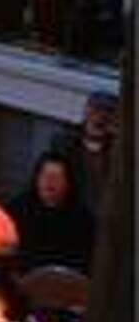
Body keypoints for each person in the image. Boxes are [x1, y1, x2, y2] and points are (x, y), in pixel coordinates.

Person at [8, 150, 97, 274]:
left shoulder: (82, 219)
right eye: (45, 175)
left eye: (57, 176)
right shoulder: (17, 209)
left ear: (68, 182)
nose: (49, 181)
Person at [53, 91, 118, 224]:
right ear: (87, 109)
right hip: (70, 217)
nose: (101, 115)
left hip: (105, 220)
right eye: (96, 108)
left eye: (107, 110)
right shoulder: (64, 143)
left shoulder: (118, 149)